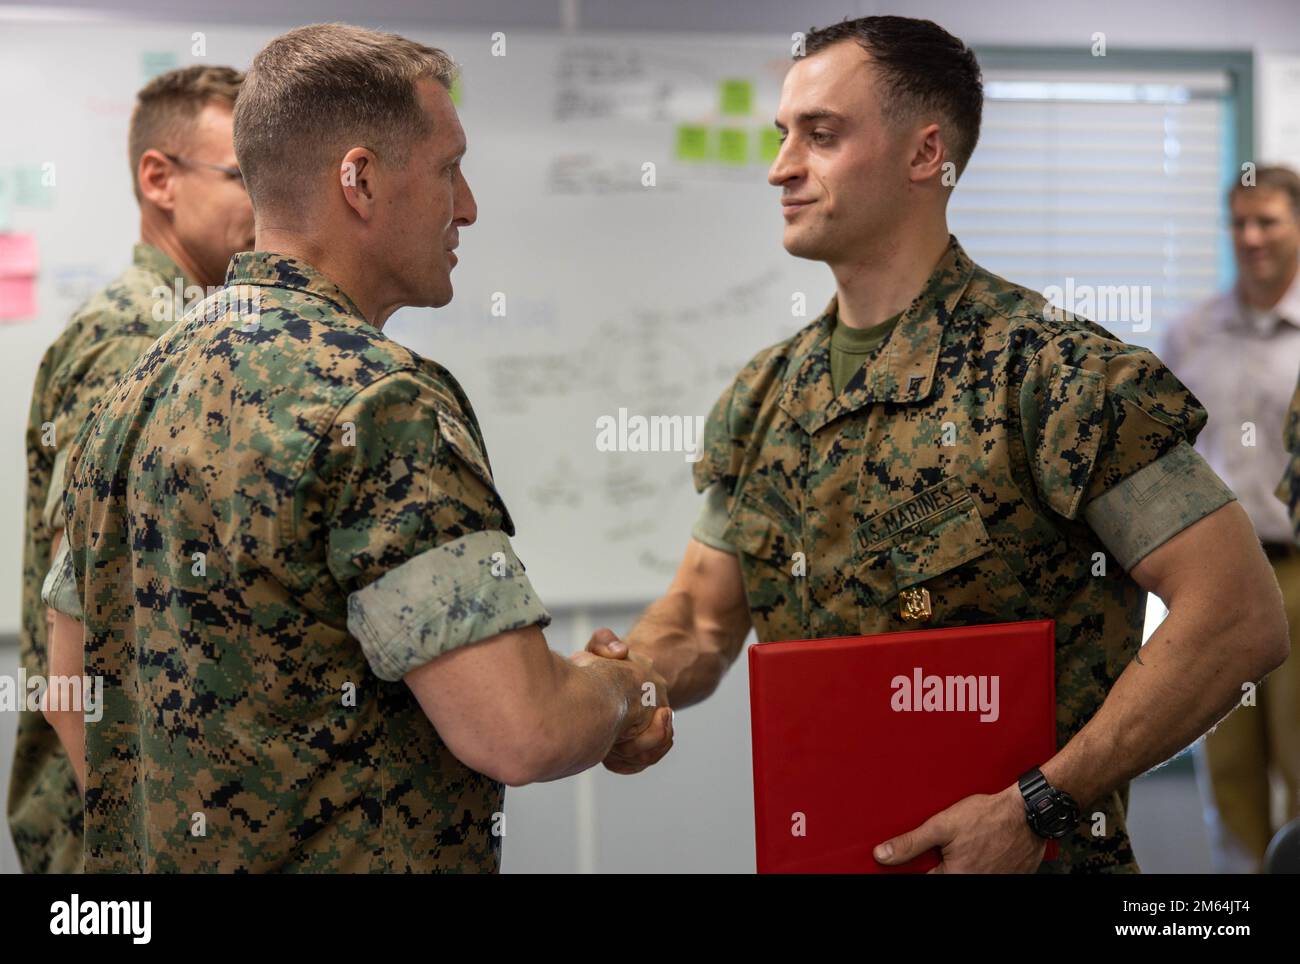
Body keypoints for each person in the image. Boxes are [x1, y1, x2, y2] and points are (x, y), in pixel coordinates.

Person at [588, 15, 1289, 873]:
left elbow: (1238, 616)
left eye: (822, 135)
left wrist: (1039, 804)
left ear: (926, 156)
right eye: (782, 137)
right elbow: (699, 617)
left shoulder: (1054, 372)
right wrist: (633, 684)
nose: (780, 168)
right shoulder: (765, 396)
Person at [41, 23, 672, 873]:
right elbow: (519, 729)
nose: (469, 206)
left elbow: (68, 691)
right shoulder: (380, 402)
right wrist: (624, 690)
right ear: (361, 180)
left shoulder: (132, 390)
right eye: (448, 169)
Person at [10, 64, 252, 874]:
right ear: (160, 180)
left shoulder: (199, 328)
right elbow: (84, 628)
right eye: (243, 175)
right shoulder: (135, 345)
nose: (270, 202)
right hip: (121, 841)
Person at [1164, 165, 1300, 873]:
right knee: (1229, 764)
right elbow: (1160, 458)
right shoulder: (1190, 334)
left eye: (1269, 220)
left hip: (1298, 570)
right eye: (1240, 222)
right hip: (1216, 579)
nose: (1252, 237)